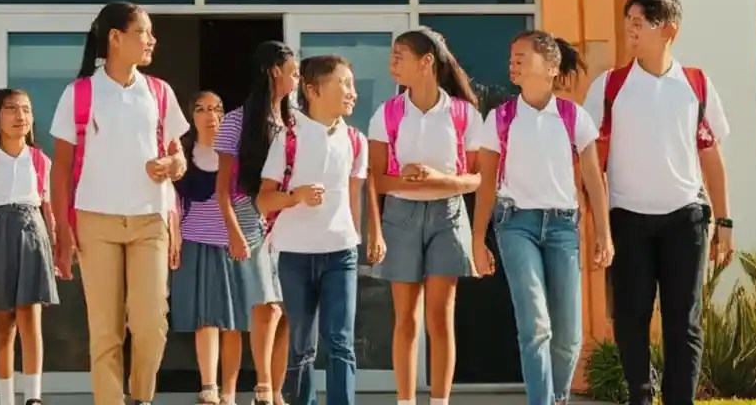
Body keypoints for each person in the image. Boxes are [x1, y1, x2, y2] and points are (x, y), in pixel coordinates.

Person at [582, 0, 733, 405]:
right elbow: (589, 161)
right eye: (627, 19)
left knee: (684, 323)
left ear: (669, 31)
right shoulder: (609, 87)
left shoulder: (696, 84)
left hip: (686, 219)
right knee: (630, 319)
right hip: (627, 220)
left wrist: (725, 221)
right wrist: (599, 227)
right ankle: (641, 396)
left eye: (639, 21)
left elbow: (711, 155)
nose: (629, 28)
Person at [49, 1, 191, 405]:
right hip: (96, 222)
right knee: (106, 332)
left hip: (150, 221)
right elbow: (59, 172)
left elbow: (178, 154)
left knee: (151, 325)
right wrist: (62, 234)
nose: (152, 40)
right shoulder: (80, 94)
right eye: (143, 32)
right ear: (115, 38)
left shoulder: (159, 92)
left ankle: (142, 398)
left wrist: (172, 163)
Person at [471, 32, 614, 405]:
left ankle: (557, 398)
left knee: (568, 337)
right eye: (511, 57)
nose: (512, 63)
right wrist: (477, 240)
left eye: (522, 56)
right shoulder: (499, 119)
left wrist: (604, 232)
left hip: (564, 227)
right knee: (535, 326)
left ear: (551, 68)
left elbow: (593, 181)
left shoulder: (573, 117)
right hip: (515, 224)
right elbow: (486, 184)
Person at [371, 27, 482, 405]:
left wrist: (439, 179)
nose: (392, 65)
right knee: (405, 319)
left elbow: (478, 178)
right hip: (400, 216)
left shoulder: (464, 114)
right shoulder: (386, 114)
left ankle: (440, 401)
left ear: (427, 62)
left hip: (448, 216)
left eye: (399, 56)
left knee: (440, 315)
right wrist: (406, 178)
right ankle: (405, 401)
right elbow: (376, 182)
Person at [257, 54, 374, 405]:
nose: (352, 93)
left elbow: (355, 201)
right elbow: (263, 201)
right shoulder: (288, 139)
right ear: (312, 89)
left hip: (341, 253)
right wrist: (296, 197)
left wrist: (363, 237)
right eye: (344, 83)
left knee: (341, 342)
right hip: (294, 254)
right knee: (301, 347)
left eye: (352, 85)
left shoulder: (356, 140)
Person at [0, 88, 59, 405]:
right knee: (3, 325)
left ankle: (34, 397)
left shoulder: (41, 161)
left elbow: (49, 210)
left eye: (26, 109)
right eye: (11, 109)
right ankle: (6, 399)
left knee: (31, 319)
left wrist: (58, 249)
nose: (20, 116)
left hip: (32, 240)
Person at [215, 41, 298, 405]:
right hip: (250, 217)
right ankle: (263, 386)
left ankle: (276, 391)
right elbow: (222, 189)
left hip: (291, 217)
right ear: (274, 71)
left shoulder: (296, 121)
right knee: (267, 303)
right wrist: (234, 231)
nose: (297, 77)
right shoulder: (236, 120)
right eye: (293, 71)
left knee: (289, 308)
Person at [170, 91, 247, 405]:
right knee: (204, 318)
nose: (209, 115)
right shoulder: (183, 155)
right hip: (193, 241)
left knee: (232, 320)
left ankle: (229, 392)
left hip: (231, 242)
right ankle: (209, 388)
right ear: (192, 116)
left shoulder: (236, 156)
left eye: (216, 109)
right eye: (201, 109)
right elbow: (172, 202)